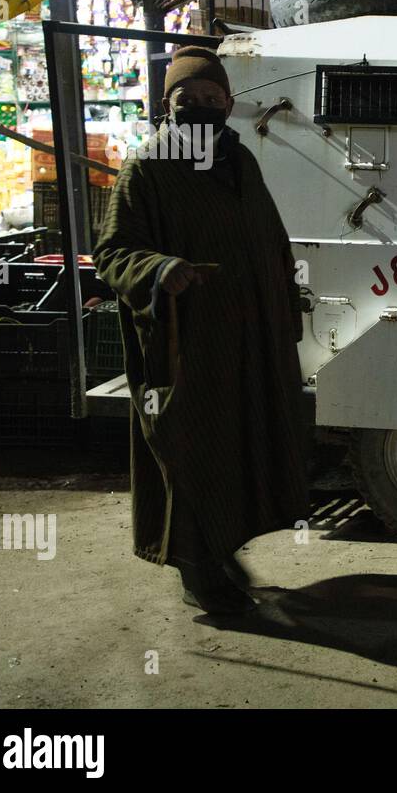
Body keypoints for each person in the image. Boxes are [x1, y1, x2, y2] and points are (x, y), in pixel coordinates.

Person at [94, 45, 308, 615]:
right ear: (166, 107)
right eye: (186, 100)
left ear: (230, 104)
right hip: (186, 346)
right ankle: (197, 571)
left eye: (212, 99)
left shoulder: (243, 164)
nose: (201, 109)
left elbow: (272, 241)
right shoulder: (146, 170)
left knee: (237, 452)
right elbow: (112, 253)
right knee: (186, 450)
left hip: (248, 343)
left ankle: (219, 557)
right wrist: (161, 269)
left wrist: (286, 306)